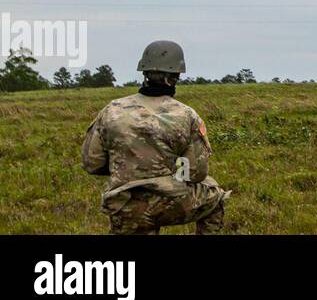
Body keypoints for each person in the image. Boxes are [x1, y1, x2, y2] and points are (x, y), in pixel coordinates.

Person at [81, 40, 230, 235]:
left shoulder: (111, 110)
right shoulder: (186, 115)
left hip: (123, 203)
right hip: (168, 203)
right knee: (215, 196)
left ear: (144, 73)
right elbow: (196, 173)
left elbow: (92, 163)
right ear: (174, 77)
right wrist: (170, 174)